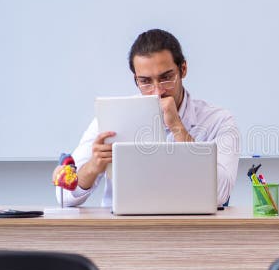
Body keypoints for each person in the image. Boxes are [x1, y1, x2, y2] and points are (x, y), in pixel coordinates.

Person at [58, 28, 240, 210]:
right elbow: (65, 196)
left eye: (166, 78)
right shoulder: (112, 116)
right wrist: (93, 166)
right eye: (145, 81)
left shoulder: (219, 121)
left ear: (182, 69)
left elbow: (220, 195)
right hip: (123, 230)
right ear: (136, 79)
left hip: (190, 230)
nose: (157, 91)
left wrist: (178, 128)